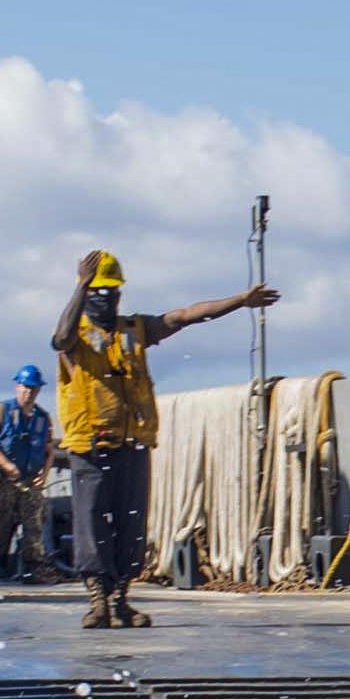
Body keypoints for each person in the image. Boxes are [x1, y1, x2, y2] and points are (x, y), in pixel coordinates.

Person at [50, 247, 271, 629]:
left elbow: (187, 315)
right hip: (89, 447)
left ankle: (120, 599)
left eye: (112, 292)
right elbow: (59, 337)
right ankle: (97, 600)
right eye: (98, 292)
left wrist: (241, 301)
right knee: (92, 525)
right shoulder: (77, 338)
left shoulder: (135, 330)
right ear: (86, 294)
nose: (107, 299)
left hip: (133, 445)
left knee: (130, 526)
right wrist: (81, 284)